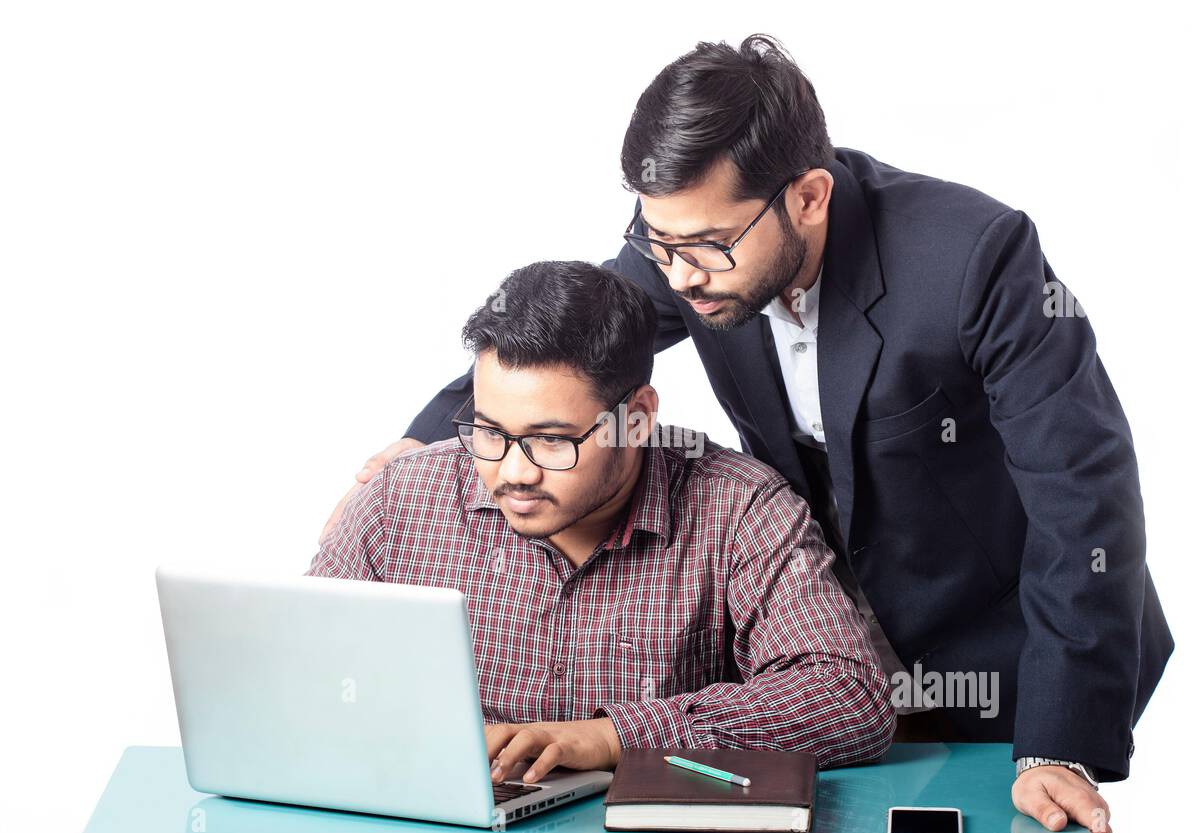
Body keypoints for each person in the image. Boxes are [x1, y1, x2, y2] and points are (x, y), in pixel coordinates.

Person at [323, 36, 1174, 833]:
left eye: (705, 247)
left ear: (808, 197)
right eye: (659, 244)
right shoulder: (686, 241)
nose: (680, 275)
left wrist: (1058, 740)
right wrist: (420, 445)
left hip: (1005, 651)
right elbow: (572, 351)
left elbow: (1083, 493)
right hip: (820, 644)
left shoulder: (973, 257)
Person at [308, 259, 896, 782]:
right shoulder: (400, 501)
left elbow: (850, 700)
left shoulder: (740, 508)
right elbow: (301, 668)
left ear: (636, 417)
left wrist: (610, 738)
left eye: (551, 440)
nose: (514, 472)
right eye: (489, 432)